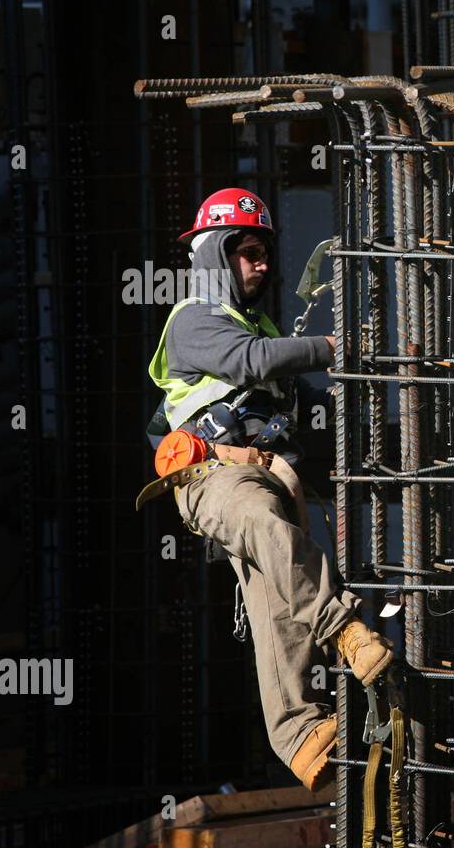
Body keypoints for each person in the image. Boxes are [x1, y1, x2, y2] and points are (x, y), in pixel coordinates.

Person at [144, 187, 391, 791]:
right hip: (213, 477)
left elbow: (296, 402)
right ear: (213, 255)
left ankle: (299, 736)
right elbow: (253, 362)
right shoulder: (194, 320)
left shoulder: (259, 326)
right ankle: (343, 629)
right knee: (261, 524)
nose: (259, 264)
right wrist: (335, 348)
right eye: (246, 252)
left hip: (270, 474)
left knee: (274, 604)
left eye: (262, 253)